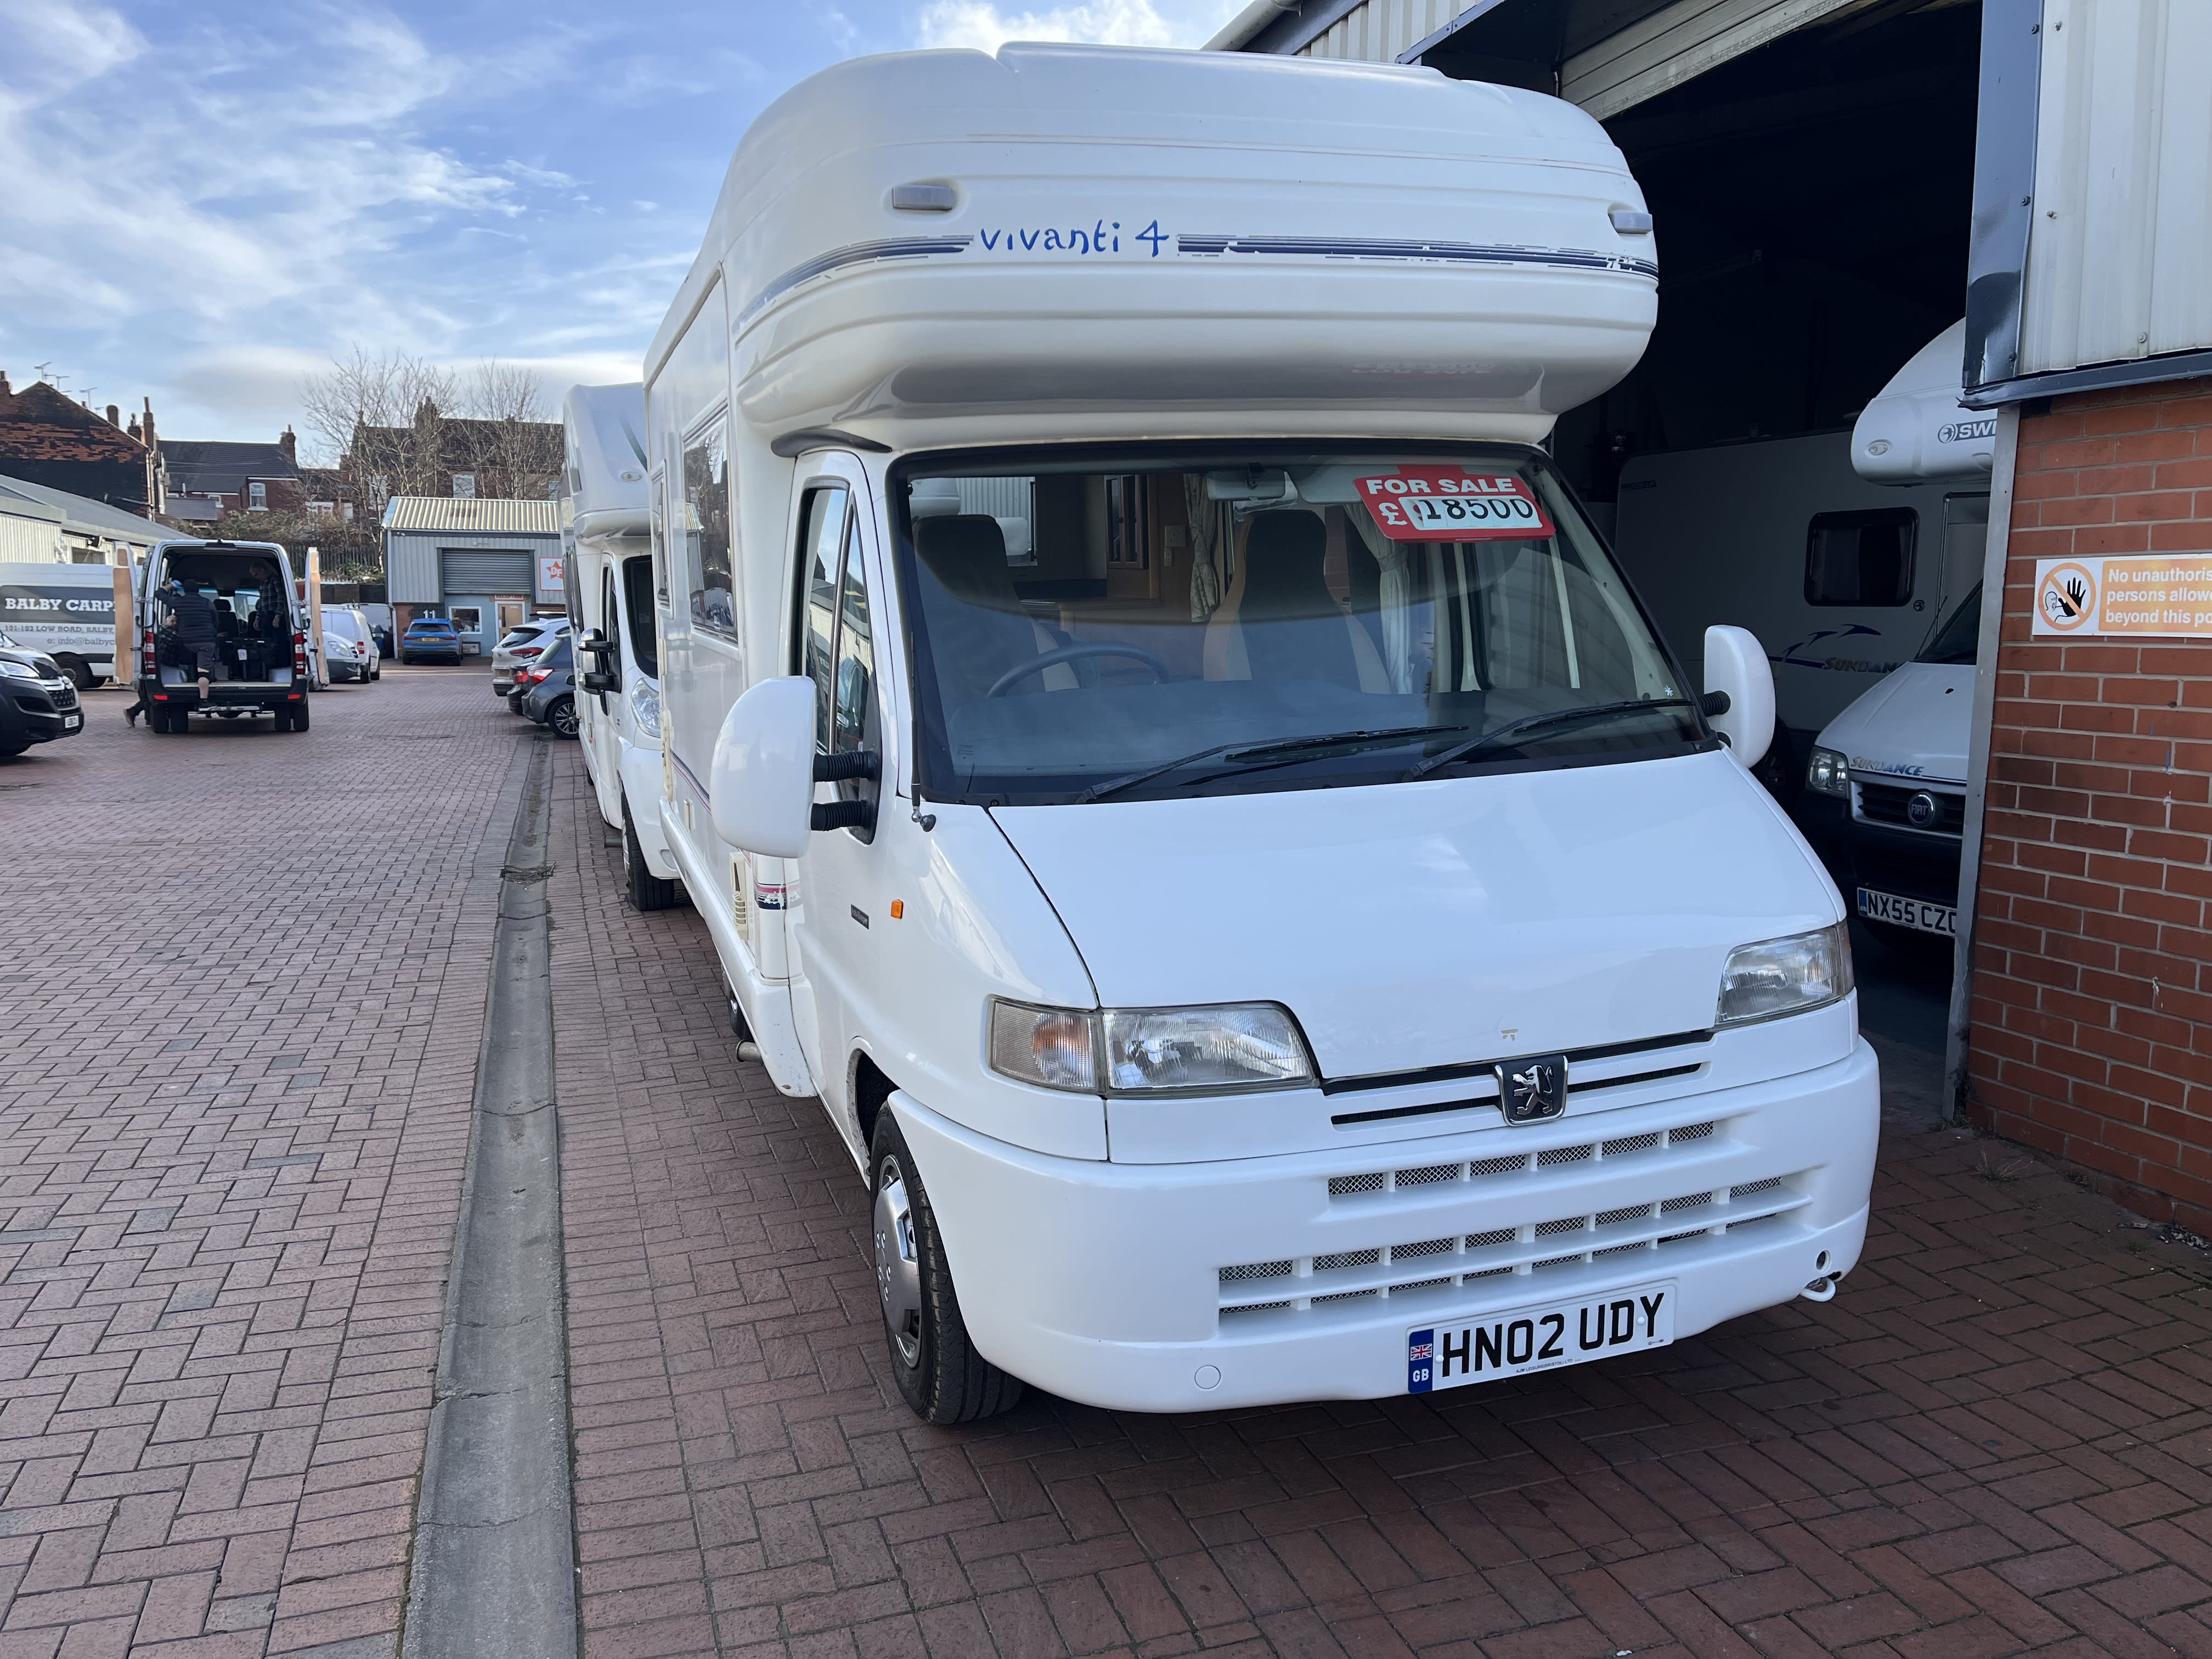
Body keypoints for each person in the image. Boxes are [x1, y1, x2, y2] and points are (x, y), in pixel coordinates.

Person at [162, 577, 218, 704]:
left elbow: (159, 594)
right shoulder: (207, 603)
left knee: (189, 657)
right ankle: (204, 701)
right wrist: (213, 633)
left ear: (185, 590)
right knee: (204, 672)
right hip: (206, 641)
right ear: (198, 590)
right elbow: (216, 621)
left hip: (186, 641)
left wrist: (171, 585)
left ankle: (189, 677)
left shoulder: (177, 601)